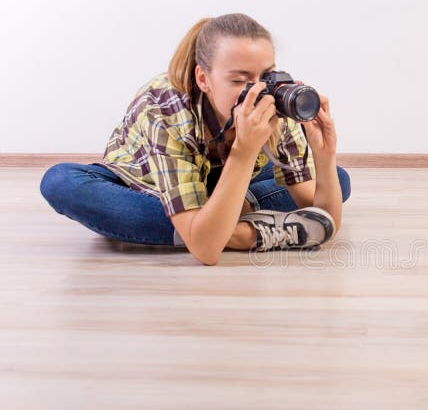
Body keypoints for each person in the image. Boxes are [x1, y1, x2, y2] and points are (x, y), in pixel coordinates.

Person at [39, 13, 351, 266]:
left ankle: (213, 219)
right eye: (239, 80)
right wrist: (243, 157)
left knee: (337, 178)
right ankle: (237, 228)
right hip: (145, 184)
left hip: (218, 182)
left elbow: (323, 222)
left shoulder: (274, 102)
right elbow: (206, 253)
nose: (257, 91)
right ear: (204, 79)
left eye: (266, 75)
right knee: (60, 181)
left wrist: (325, 156)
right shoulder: (163, 109)